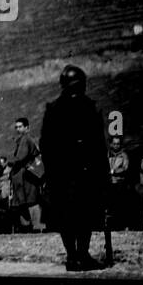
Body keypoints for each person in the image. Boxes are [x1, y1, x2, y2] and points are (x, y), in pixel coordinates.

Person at [40, 65, 110, 269]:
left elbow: (46, 144)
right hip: (79, 172)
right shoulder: (89, 107)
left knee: (71, 215)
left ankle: (75, 255)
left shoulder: (55, 108)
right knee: (80, 214)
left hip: (67, 173)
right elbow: (98, 145)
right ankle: (78, 254)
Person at [9, 117, 44, 232]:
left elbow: (20, 157)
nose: (18, 129)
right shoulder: (25, 139)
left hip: (26, 174)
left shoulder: (25, 139)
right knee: (25, 200)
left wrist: (10, 164)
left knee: (30, 200)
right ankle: (30, 226)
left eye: (20, 127)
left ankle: (35, 225)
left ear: (27, 128)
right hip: (24, 174)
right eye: (16, 127)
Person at [106, 135, 137, 230]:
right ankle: (112, 226)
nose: (116, 146)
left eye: (118, 144)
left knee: (120, 205)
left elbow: (125, 168)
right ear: (111, 144)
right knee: (110, 206)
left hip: (120, 184)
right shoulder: (108, 154)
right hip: (110, 183)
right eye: (114, 144)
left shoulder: (124, 155)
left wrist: (113, 171)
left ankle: (122, 225)